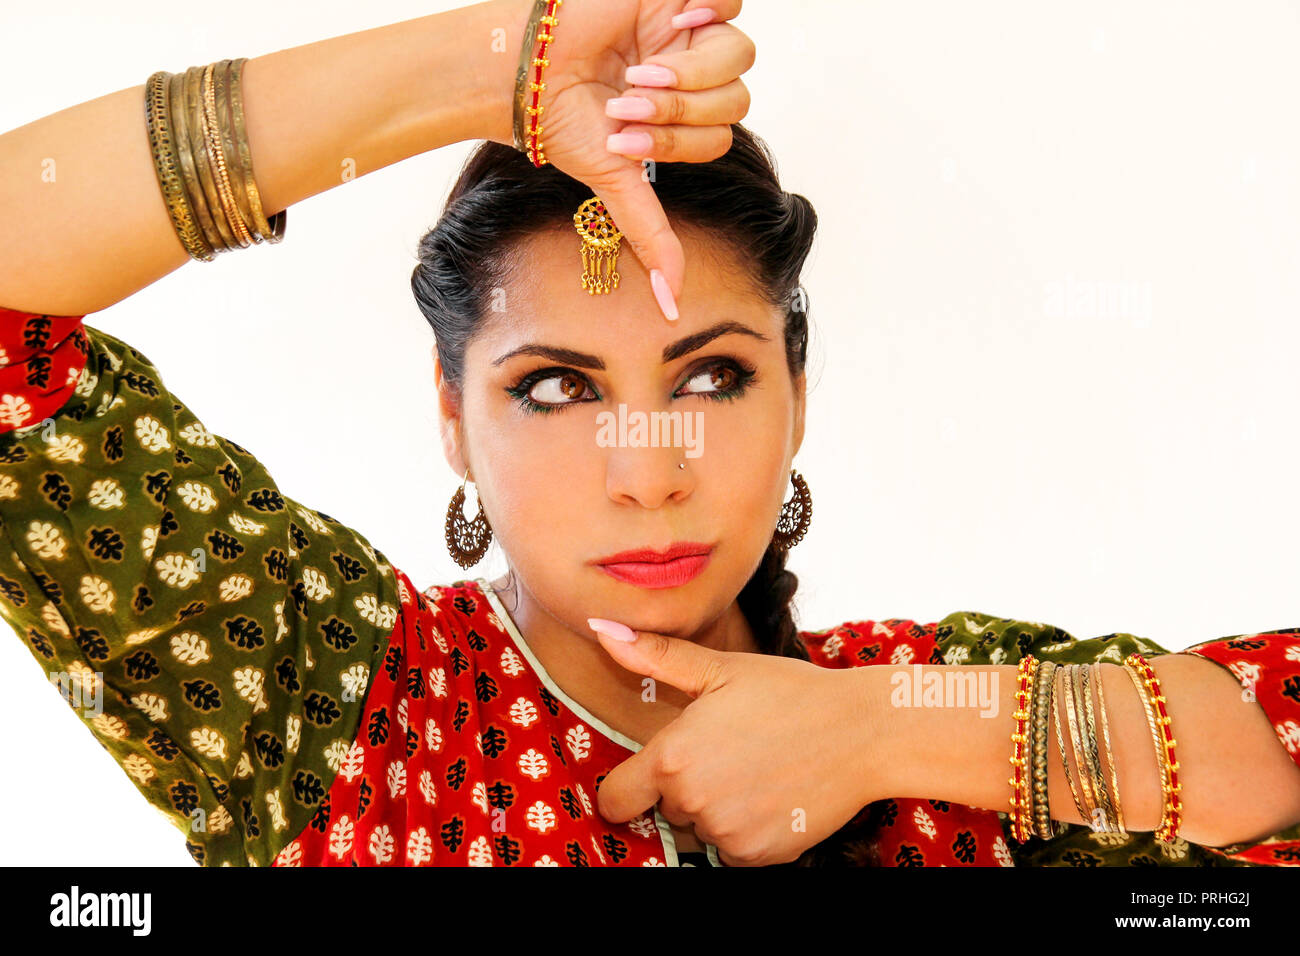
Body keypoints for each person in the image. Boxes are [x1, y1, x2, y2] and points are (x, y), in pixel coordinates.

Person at [1, 0, 1298, 867]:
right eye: (558, 389)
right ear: (453, 416)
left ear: (794, 389)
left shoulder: (925, 707)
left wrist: (885, 730)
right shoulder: (354, 718)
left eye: (711, 378)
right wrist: (487, 69)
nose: (647, 475)